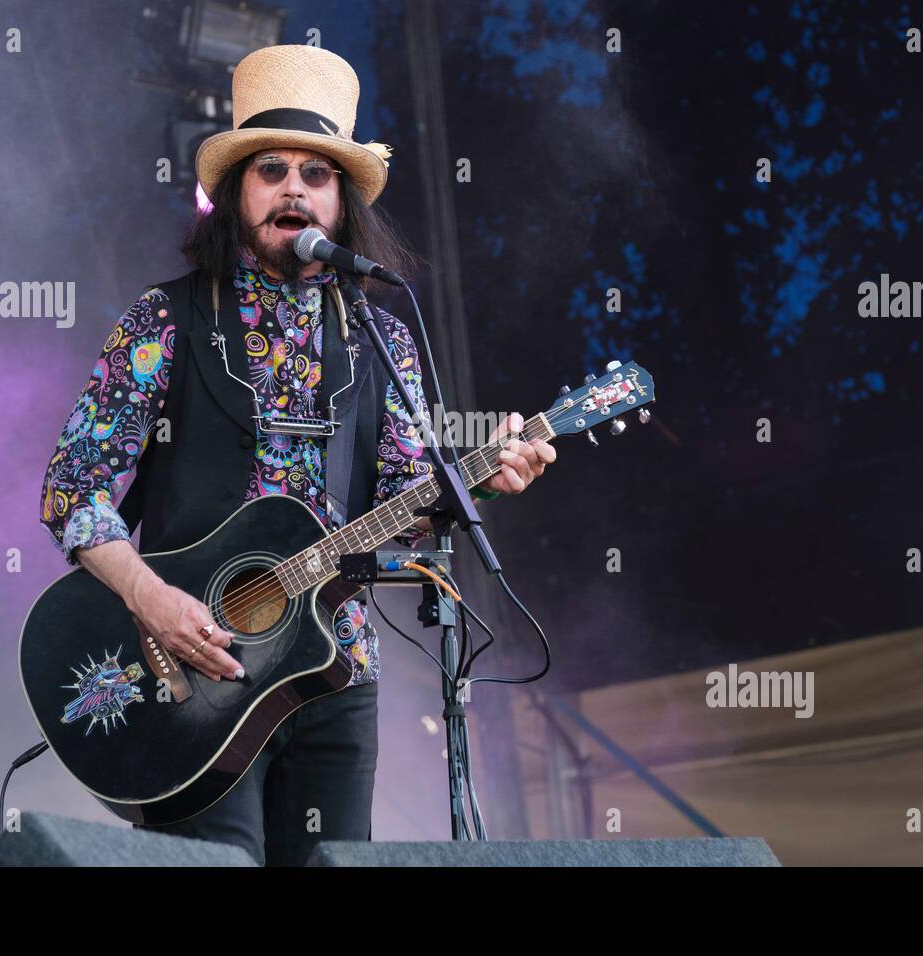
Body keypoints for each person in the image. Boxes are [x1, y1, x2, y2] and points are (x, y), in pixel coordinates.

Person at [36, 44, 555, 865]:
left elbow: (403, 513)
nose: (293, 189)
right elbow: (74, 488)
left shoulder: (383, 341)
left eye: (316, 174)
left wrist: (479, 483)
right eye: (270, 168)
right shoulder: (165, 321)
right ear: (237, 192)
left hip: (335, 672)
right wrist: (152, 599)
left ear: (340, 204)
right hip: (195, 670)